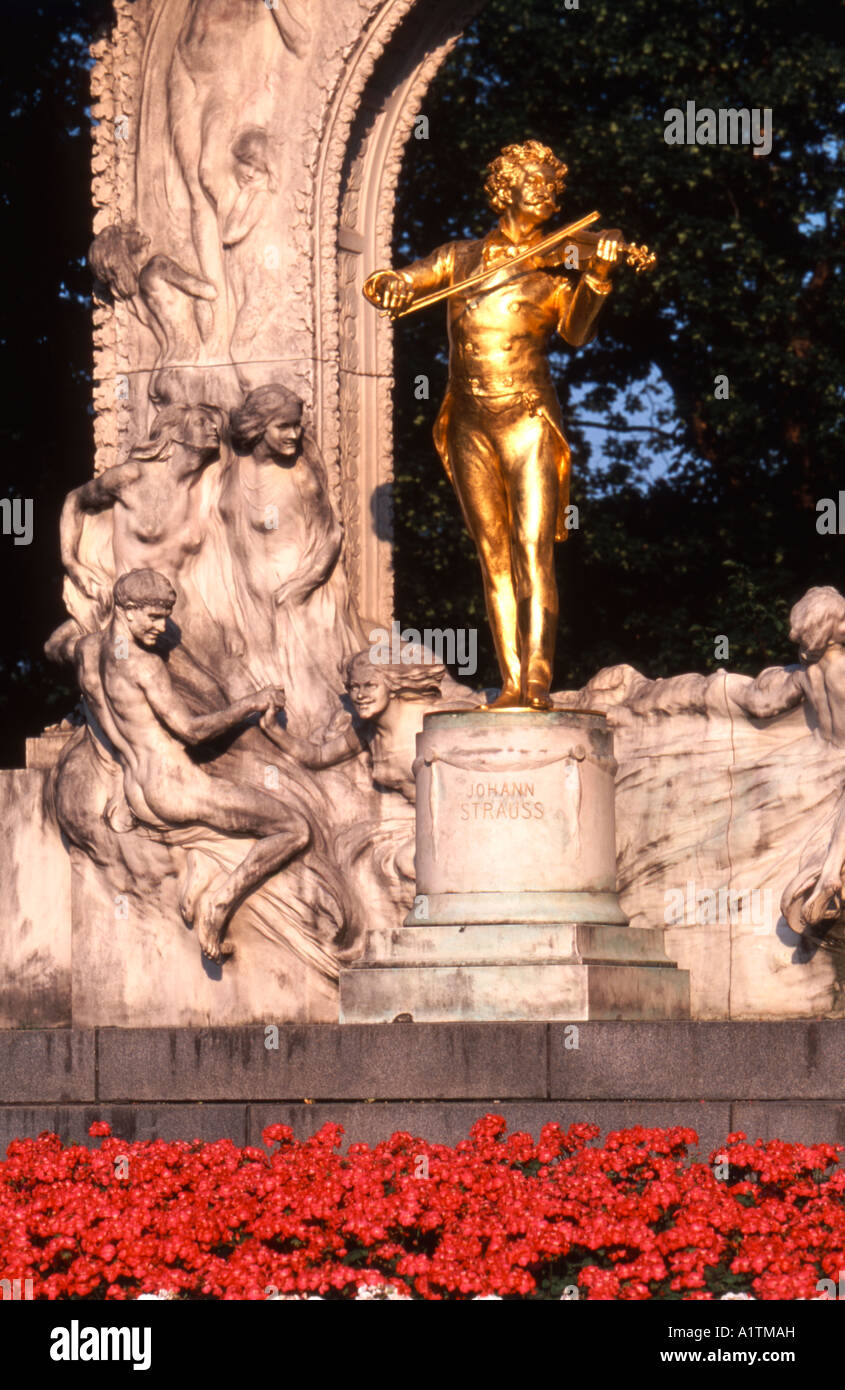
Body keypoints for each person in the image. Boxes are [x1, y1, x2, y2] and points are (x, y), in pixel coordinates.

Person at [364, 140, 620, 710]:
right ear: (506, 186)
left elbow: (577, 333)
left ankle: (537, 679)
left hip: (527, 416)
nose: (548, 192)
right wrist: (393, 283)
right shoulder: (460, 257)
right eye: (536, 180)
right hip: (469, 421)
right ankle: (508, 682)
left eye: (553, 185)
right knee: (493, 554)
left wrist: (598, 276)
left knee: (534, 549)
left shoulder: (559, 265)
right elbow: (412, 279)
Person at [75, 568, 308, 962]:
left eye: (165, 615)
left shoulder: (87, 651)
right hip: (174, 787)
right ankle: (219, 905)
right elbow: (192, 731)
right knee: (293, 829)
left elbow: (99, 714)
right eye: (152, 616)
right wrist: (253, 701)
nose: (161, 626)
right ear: (126, 609)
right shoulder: (143, 665)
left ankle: (203, 859)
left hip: (137, 790)